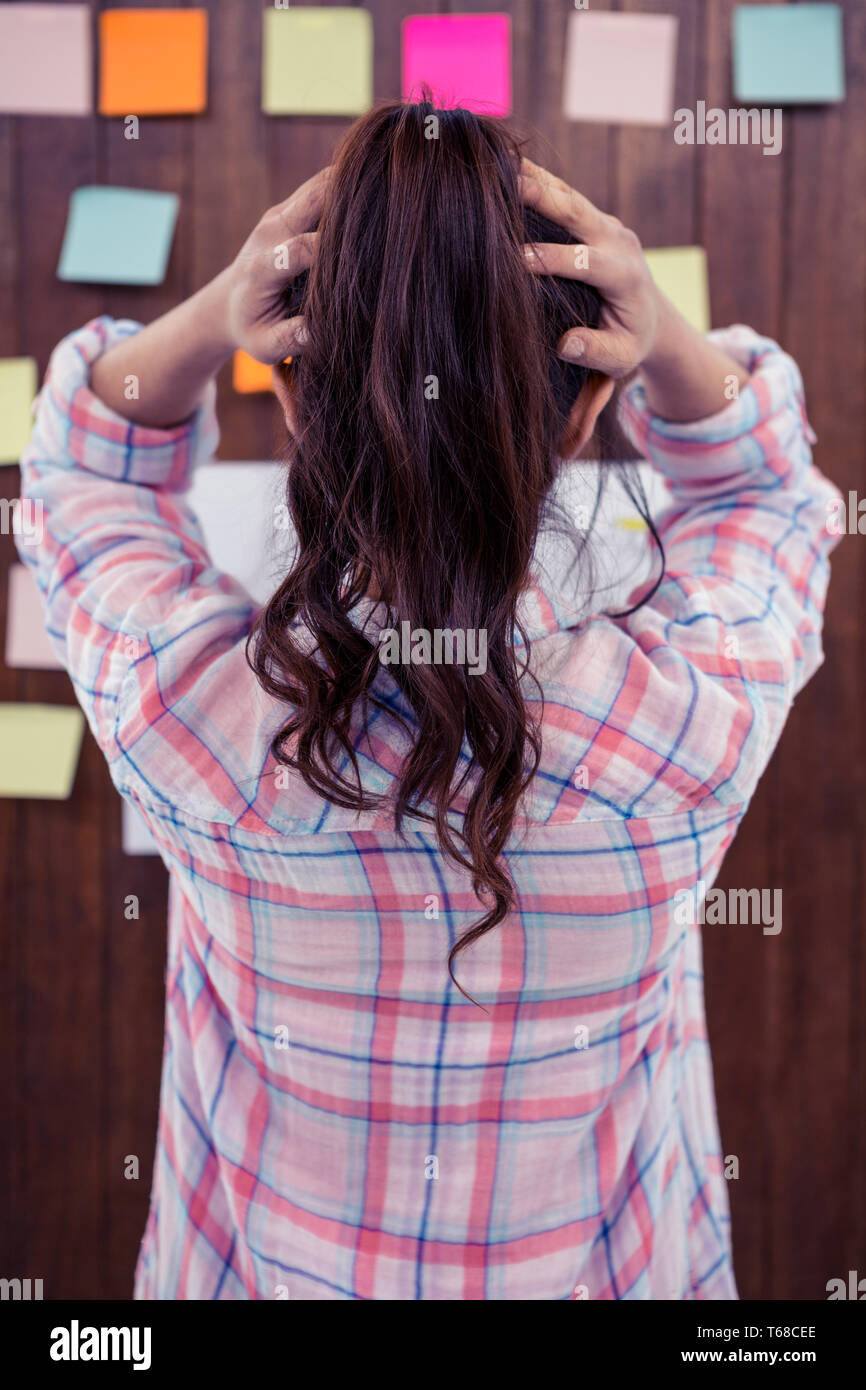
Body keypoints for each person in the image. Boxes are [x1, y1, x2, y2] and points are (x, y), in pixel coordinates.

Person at [18, 100, 840, 1300]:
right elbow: (765, 494)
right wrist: (661, 333)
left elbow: (83, 463)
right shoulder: (682, 736)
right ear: (582, 410)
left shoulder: (190, 719)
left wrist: (212, 311)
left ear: (293, 400)